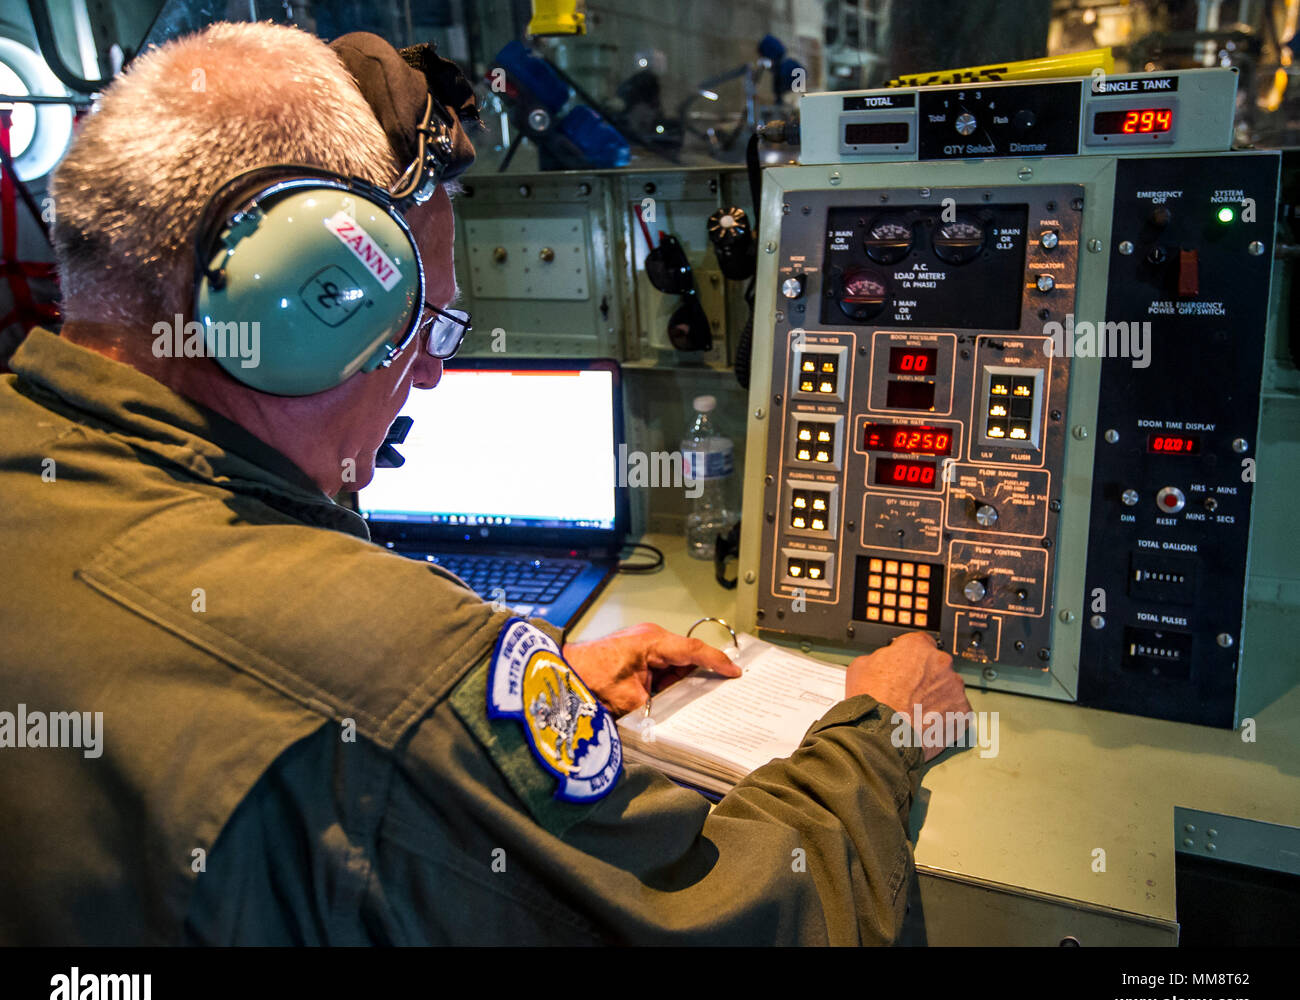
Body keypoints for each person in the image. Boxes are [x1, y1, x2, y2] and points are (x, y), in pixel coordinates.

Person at [0, 21, 971, 946]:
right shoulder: (392, 665)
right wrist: (876, 736)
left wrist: (498, 714)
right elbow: (745, 918)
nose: (428, 373)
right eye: (427, 323)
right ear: (311, 304)